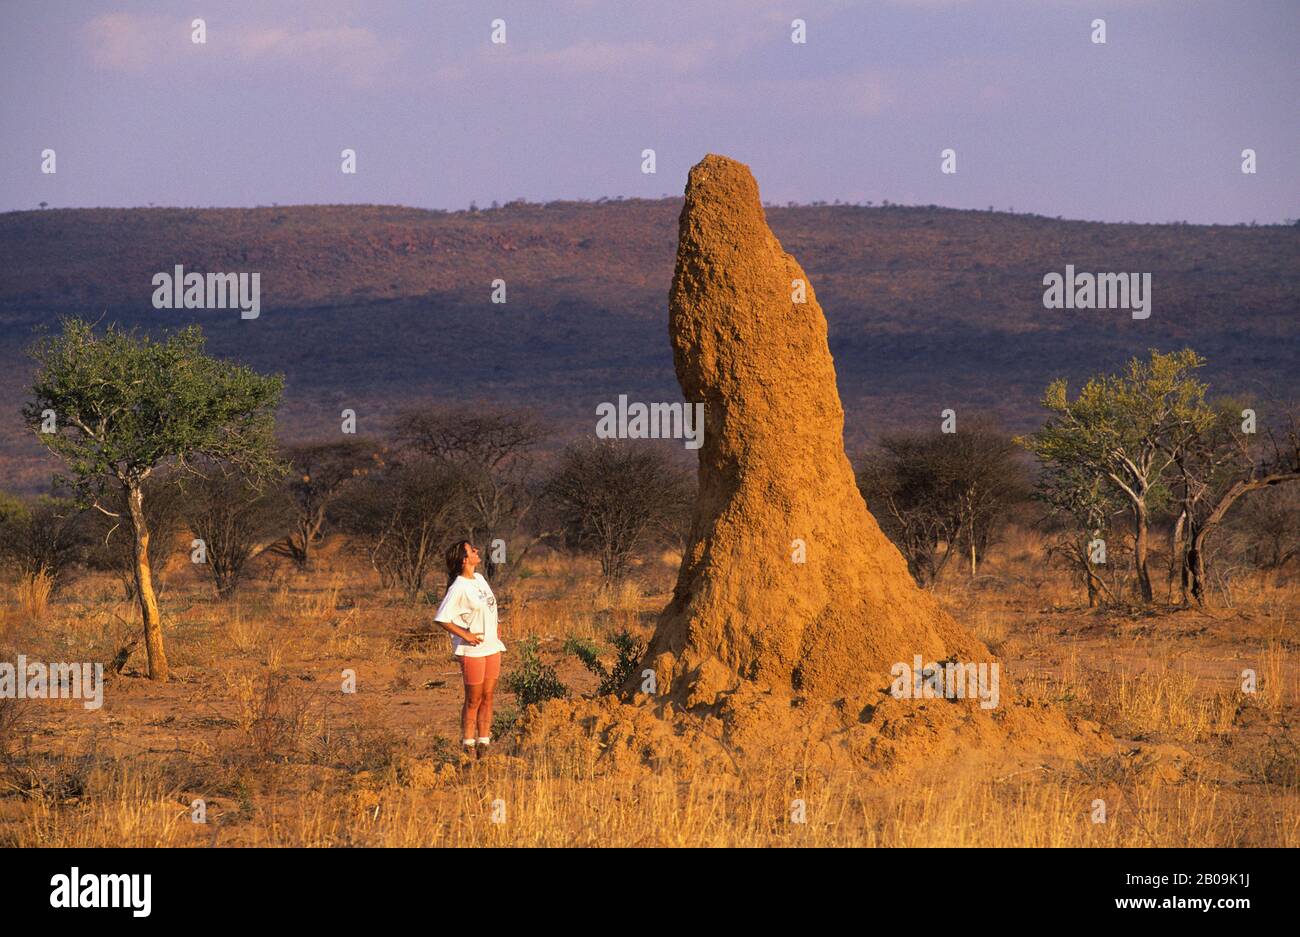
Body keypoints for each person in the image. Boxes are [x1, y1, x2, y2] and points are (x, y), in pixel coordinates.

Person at [433, 540, 506, 759]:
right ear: (464, 560)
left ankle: (484, 742)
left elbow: (490, 607)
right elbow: (441, 618)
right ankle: (468, 744)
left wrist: (497, 626)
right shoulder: (458, 587)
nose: (477, 551)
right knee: (473, 699)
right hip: (472, 649)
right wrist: (466, 635)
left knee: (489, 695)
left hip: (492, 646)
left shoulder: (480, 579)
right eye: (471, 550)